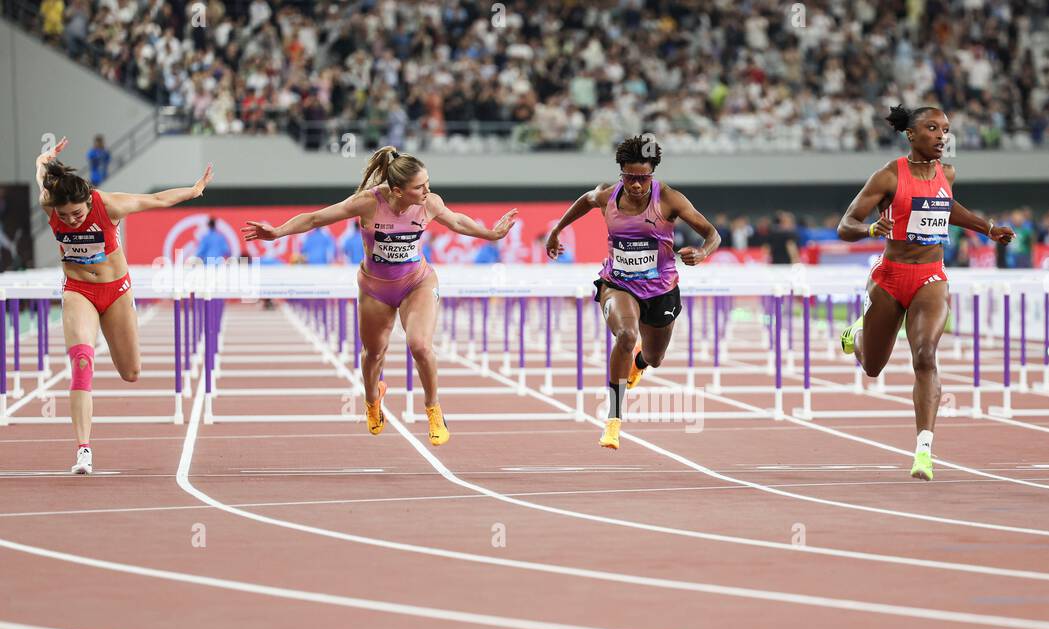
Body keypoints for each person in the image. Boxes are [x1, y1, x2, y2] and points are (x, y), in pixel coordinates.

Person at [242, 146, 516, 445]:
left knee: (420, 345)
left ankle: (433, 409)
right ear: (397, 190)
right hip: (375, 288)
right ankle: (373, 400)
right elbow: (315, 219)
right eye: (419, 187)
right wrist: (278, 232)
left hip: (417, 282)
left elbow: (458, 221)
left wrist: (491, 234)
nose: (427, 190)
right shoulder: (368, 203)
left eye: (427, 183)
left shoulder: (430, 203)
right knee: (374, 353)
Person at [838, 105, 1012, 480]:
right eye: (932, 129)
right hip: (889, 277)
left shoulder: (947, 172)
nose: (941, 136)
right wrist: (870, 230)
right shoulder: (887, 176)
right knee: (872, 367)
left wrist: (988, 228)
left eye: (945, 130)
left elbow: (947, 208)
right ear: (911, 135)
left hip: (930, 277)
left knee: (925, 355)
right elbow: (845, 224)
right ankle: (857, 334)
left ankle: (924, 451)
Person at [38, 137, 213, 474]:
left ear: (89, 201)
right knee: (82, 361)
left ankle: (88, 433)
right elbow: (39, 174)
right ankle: (83, 450)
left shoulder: (110, 205)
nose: (72, 221)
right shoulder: (49, 204)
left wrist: (193, 191)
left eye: (77, 213)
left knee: (131, 372)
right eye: (65, 216)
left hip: (116, 291)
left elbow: (157, 199)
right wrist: (42, 160)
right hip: (78, 290)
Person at [544, 135, 720, 450]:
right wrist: (557, 231)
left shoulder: (669, 199)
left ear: (652, 174)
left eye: (642, 178)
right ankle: (613, 419)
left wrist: (704, 253)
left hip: (661, 289)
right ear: (621, 172)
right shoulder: (608, 196)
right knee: (625, 335)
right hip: (618, 283)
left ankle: (639, 362)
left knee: (655, 357)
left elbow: (712, 234)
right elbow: (585, 201)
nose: (636, 184)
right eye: (629, 177)